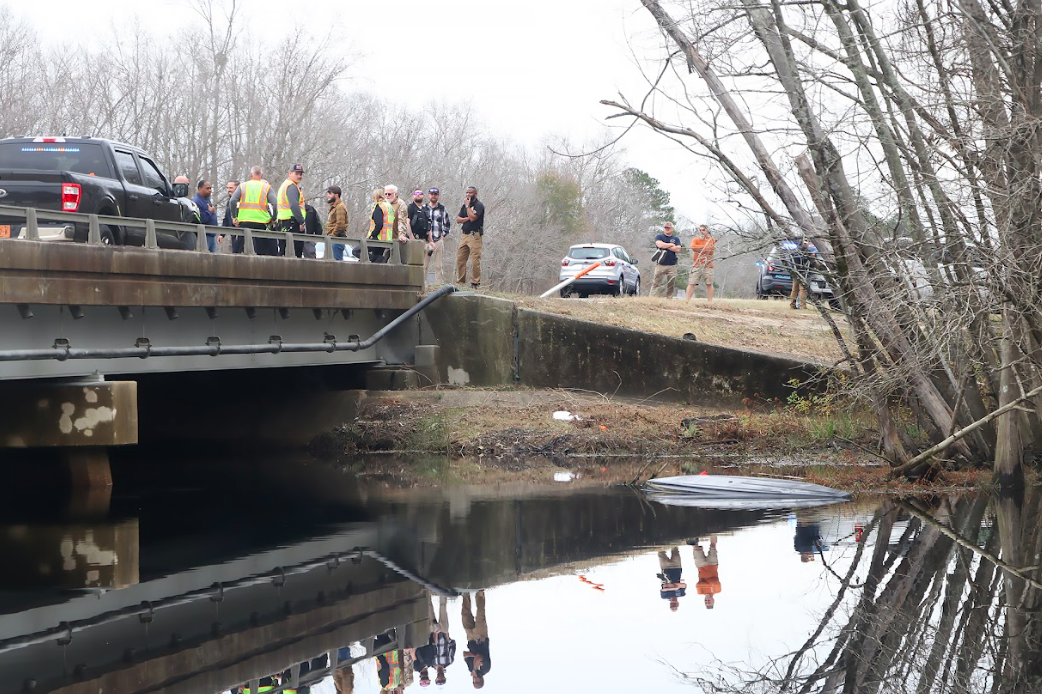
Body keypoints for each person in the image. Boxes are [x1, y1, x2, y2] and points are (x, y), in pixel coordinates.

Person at [229, 166, 278, 255]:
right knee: (262, 250)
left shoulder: (243, 186)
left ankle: (236, 264)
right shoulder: (266, 187)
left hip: (244, 221)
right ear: (261, 175)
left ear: (251, 175)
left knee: (239, 248)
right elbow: (275, 204)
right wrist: (274, 218)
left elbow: (232, 201)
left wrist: (234, 217)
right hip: (261, 222)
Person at [455, 186, 485, 289]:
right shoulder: (464, 205)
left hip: (474, 235)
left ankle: (475, 282)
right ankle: (460, 282)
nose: (468, 195)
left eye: (470, 193)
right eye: (467, 193)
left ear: (475, 194)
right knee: (460, 259)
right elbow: (458, 220)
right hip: (464, 235)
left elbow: (473, 218)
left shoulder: (479, 205)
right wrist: (467, 216)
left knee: (475, 260)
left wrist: (468, 208)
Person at [355, 188, 395, 263]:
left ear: (376, 196)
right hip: (387, 238)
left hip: (378, 237)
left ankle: (379, 259)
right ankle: (379, 260)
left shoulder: (379, 206)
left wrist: (373, 235)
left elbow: (379, 224)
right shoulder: (389, 206)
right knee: (377, 263)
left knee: (356, 251)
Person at [276, 164, 306, 257]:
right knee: (296, 252)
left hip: (284, 221)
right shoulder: (292, 186)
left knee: (283, 250)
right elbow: (294, 205)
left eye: (301, 174)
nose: (299, 176)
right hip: (292, 222)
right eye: (297, 174)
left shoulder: (285, 185)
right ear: (290, 173)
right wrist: (301, 221)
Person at [462, 590, 490, 689]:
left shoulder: (471, 669)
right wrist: (474, 664)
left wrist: (473, 667)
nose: (475, 679)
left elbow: (464, 654)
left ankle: (465, 594)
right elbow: (479, 656)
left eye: (474, 681)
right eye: (477, 681)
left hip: (471, 639)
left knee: (465, 616)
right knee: (480, 614)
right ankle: (479, 592)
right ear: (481, 680)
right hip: (481, 638)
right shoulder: (485, 669)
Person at [685, 224, 716, 304]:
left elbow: (710, 249)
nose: (701, 232)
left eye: (703, 230)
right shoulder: (695, 239)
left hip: (708, 265)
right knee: (692, 282)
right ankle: (687, 301)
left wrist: (701, 248)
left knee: (709, 283)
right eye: (700, 230)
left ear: (707, 231)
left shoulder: (711, 240)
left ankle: (710, 303)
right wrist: (704, 247)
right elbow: (693, 247)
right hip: (697, 264)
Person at [426, 188, 451, 285]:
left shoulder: (442, 208)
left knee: (438, 266)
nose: (433, 196)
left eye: (435, 194)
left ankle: (439, 285)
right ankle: (422, 284)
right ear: (429, 195)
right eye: (432, 194)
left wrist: (442, 237)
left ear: (438, 195)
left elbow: (447, 224)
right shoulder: (424, 208)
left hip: (438, 240)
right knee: (424, 265)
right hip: (427, 241)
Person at [651, 221, 683, 298]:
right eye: (666, 228)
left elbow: (678, 249)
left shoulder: (675, 238)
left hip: (672, 265)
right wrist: (671, 245)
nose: (667, 229)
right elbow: (659, 244)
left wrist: (665, 246)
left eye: (669, 228)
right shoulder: (659, 236)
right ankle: (652, 298)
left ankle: (669, 299)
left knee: (671, 284)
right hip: (660, 264)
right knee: (656, 283)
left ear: (672, 229)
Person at [692, 535, 721, 609]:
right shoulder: (718, 590)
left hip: (701, 567)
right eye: (709, 601)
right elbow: (715, 581)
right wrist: (706, 582)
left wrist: (709, 584)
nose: (707, 600)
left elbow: (698, 584)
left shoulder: (700, 592)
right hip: (712, 565)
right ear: (713, 600)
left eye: (706, 602)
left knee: (696, 548)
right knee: (713, 546)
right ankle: (713, 532)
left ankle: (694, 534)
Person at [192, 179, 219, 252]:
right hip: (204, 235)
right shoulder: (196, 201)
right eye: (207, 188)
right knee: (204, 258)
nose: (210, 190)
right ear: (200, 189)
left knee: (215, 259)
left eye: (210, 188)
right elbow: (200, 218)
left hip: (212, 234)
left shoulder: (206, 199)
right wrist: (210, 212)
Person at [657, 546, 687, 612]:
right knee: (675, 550)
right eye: (675, 604)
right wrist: (673, 586)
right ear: (678, 603)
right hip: (677, 568)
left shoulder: (664, 596)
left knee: (660, 552)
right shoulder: (681, 594)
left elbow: (664, 587)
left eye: (672, 604)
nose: (673, 603)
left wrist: (675, 587)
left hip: (665, 569)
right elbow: (684, 585)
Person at [325, 185, 349, 261]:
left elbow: (340, 224)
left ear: (336, 195)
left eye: (330, 193)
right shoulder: (334, 207)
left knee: (337, 265)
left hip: (337, 240)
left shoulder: (340, 207)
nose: (328, 195)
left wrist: (333, 235)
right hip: (332, 240)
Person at [219, 179, 239, 252]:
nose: (228, 190)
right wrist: (222, 234)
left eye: (231, 188)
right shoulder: (229, 202)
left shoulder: (242, 201)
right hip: (233, 234)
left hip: (241, 233)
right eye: (227, 188)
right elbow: (226, 219)